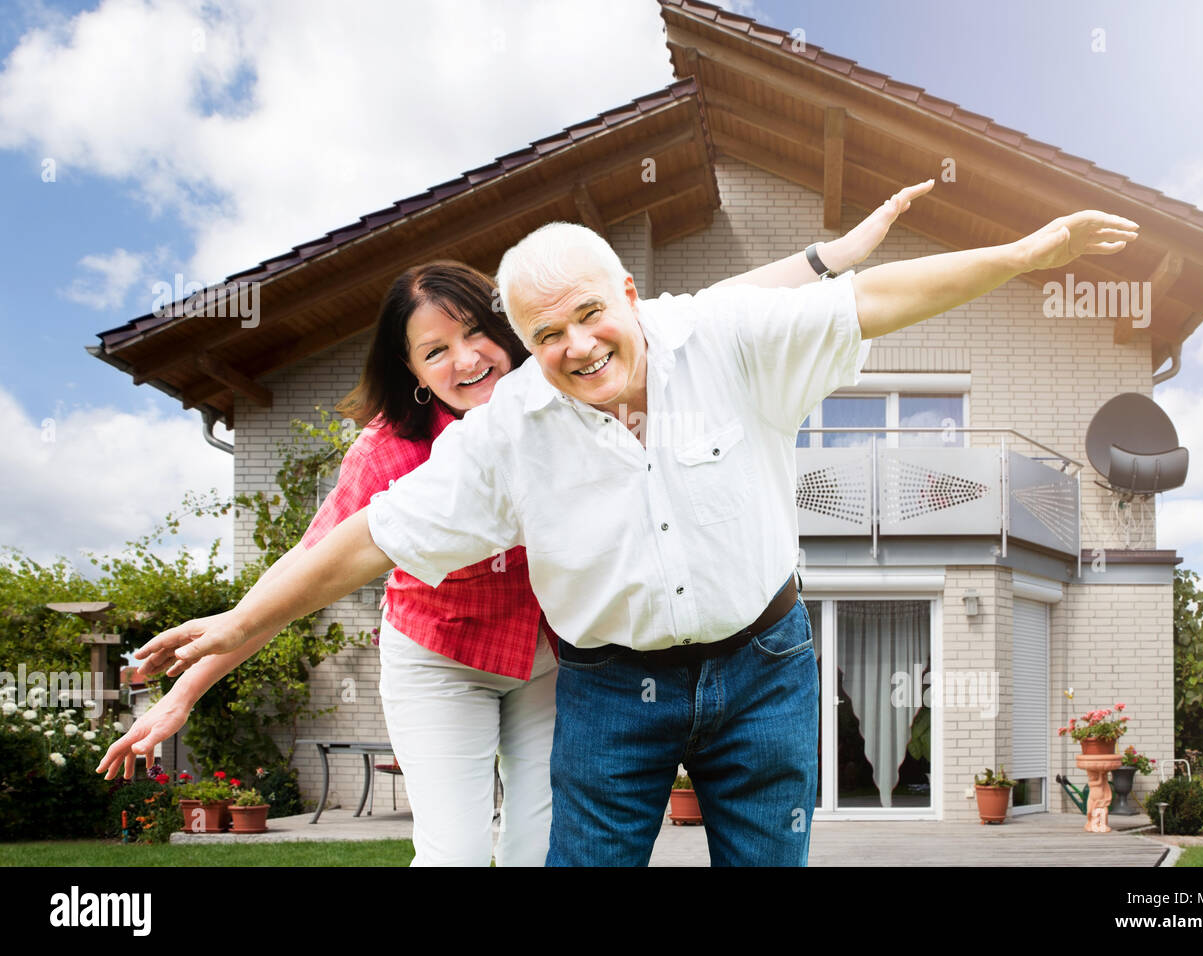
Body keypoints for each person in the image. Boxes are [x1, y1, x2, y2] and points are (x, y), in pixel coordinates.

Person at [97, 183, 939, 865]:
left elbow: (706, 312)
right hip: (440, 658)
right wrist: (185, 692)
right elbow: (319, 569)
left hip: (543, 656)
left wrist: (834, 257)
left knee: (538, 848)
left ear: (512, 335)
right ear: (416, 374)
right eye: (435, 352)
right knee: (458, 853)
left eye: (474, 335)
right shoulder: (391, 455)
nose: (464, 360)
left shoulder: (566, 391)